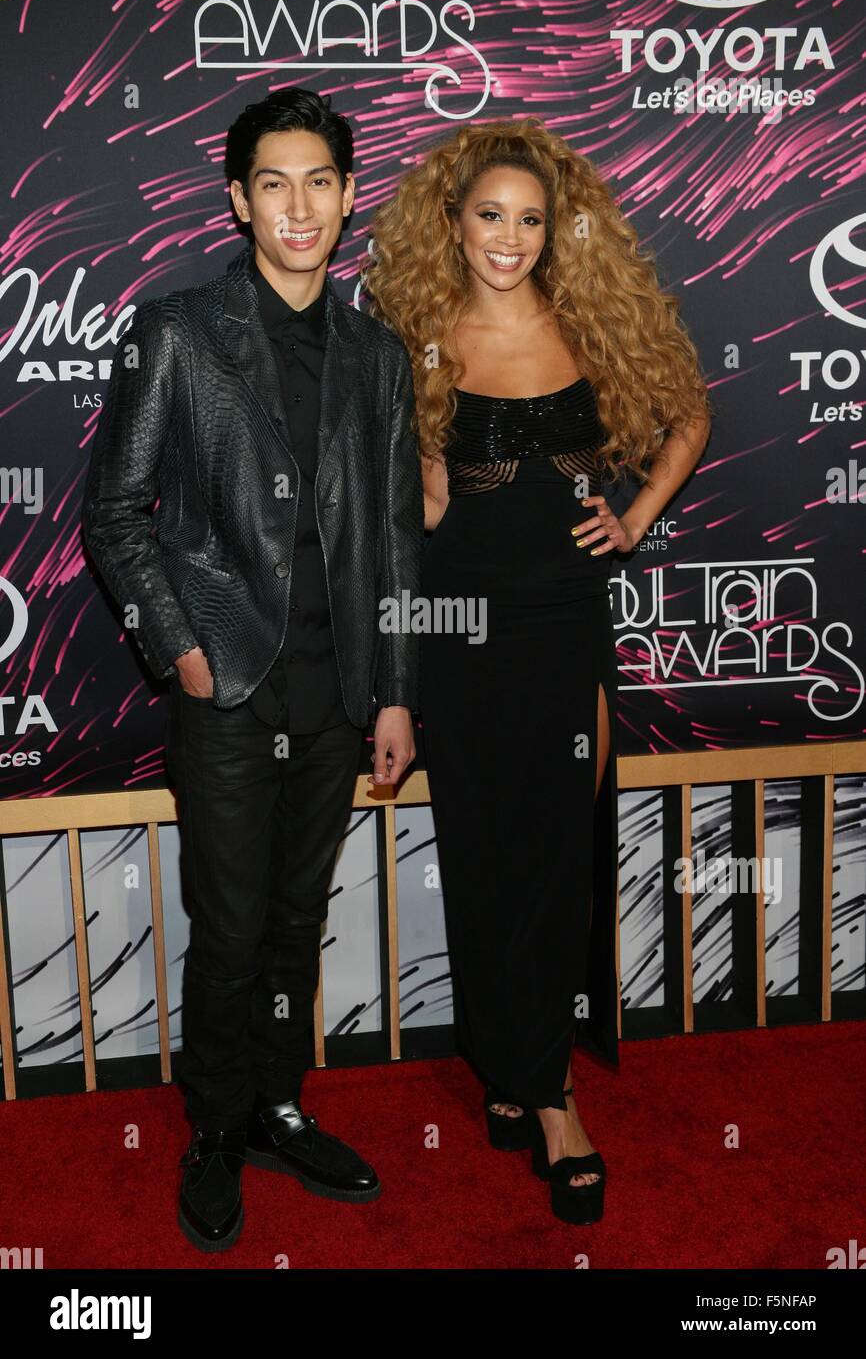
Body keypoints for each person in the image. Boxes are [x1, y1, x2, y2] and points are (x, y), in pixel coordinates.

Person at [82, 87, 424, 1252]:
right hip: (226, 687)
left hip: (337, 693)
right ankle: (215, 1129)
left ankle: (278, 1106)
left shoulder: (377, 355)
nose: (298, 206)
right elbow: (113, 515)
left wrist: (394, 690)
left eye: (319, 181)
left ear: (347, 194)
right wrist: (181, 650)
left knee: (294, 919)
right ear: (238, 200)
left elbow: (394, 537)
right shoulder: (178, 332)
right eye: (272, 183)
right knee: (229, 929)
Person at [363, 118, 711, 1225]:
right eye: (489, 216)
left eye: (529, 218)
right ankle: (510, 1064)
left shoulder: (592, 321)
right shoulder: (415, 341)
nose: (508, 238)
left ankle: (549, 1093)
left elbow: (688, 415)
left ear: (557, 228)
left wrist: (636, 516)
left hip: (565, 626)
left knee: (558, 851)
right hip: (459, 632)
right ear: (452, 223)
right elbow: (415, 514)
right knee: (481, 854)